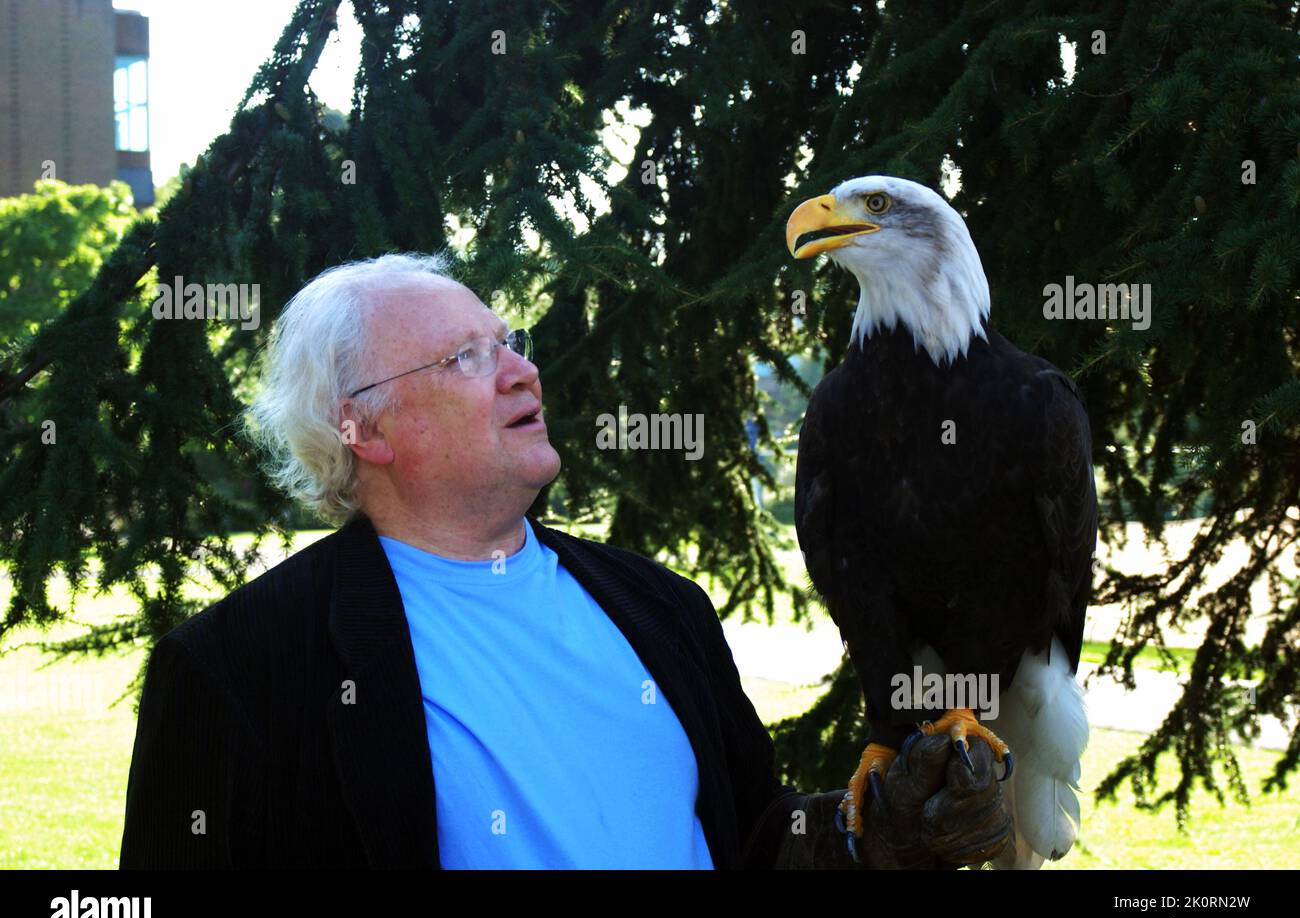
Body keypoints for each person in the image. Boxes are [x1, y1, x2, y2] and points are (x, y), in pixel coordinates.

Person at [118, 252, 1011, 869]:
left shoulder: (661, 607)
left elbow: (752, 840)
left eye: (510, 344)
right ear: (364, 427)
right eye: (466, 357)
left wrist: (874, 837)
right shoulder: (237, 669)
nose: (519, 372)